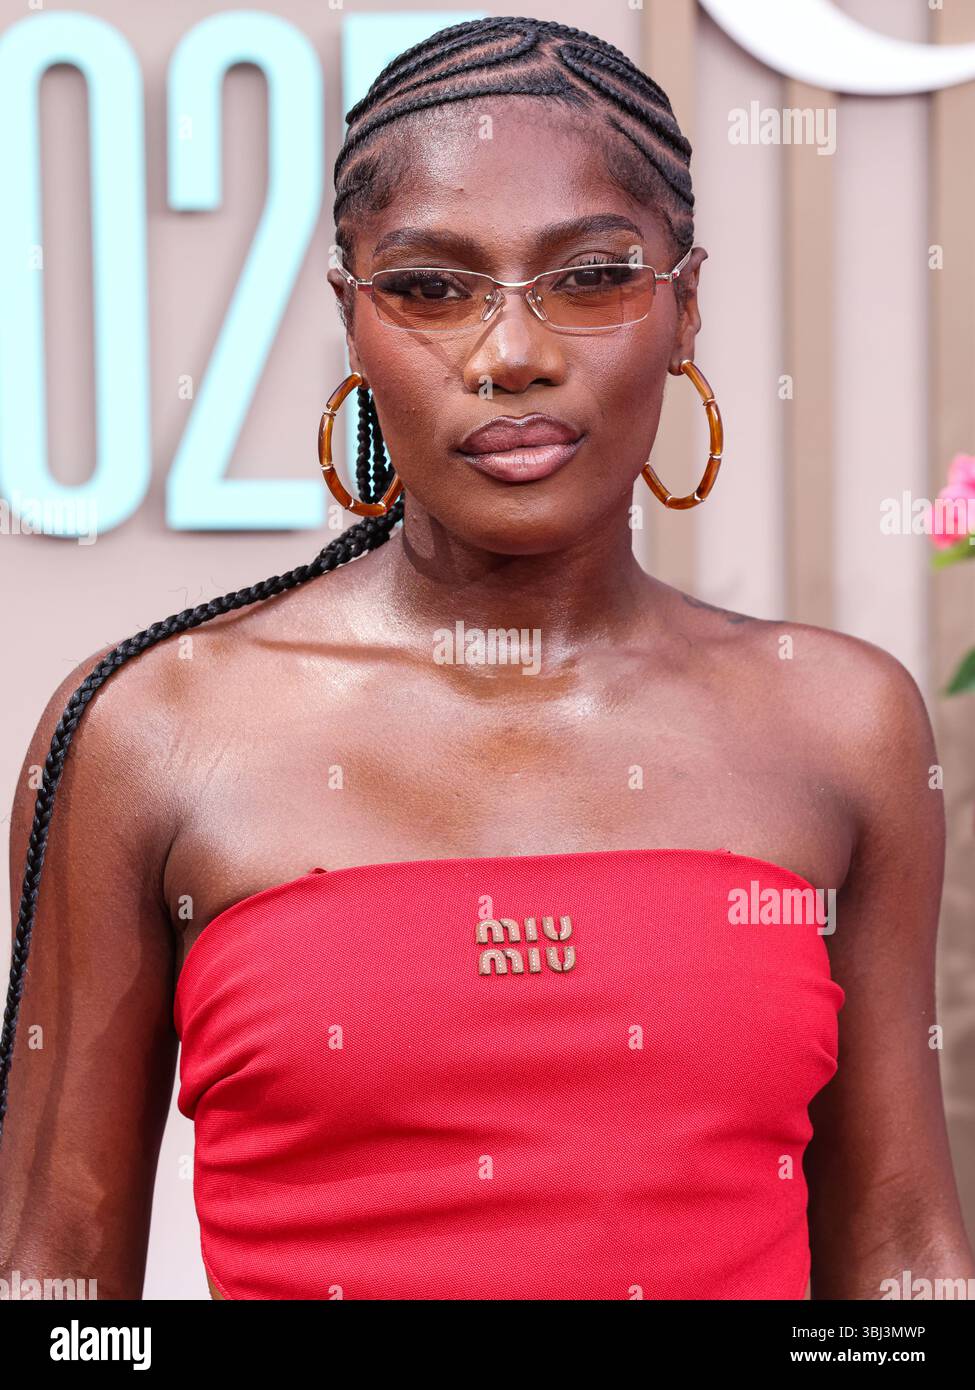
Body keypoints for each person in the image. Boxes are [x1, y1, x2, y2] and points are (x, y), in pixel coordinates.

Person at [1, 15, 972, 1302]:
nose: (511, 354)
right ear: (352, 320)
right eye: (430, 286)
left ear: (686, 305)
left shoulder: (845, 724)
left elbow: (902, 1259)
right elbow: (56, 1291)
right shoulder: (145, 730)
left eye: (592, 275)